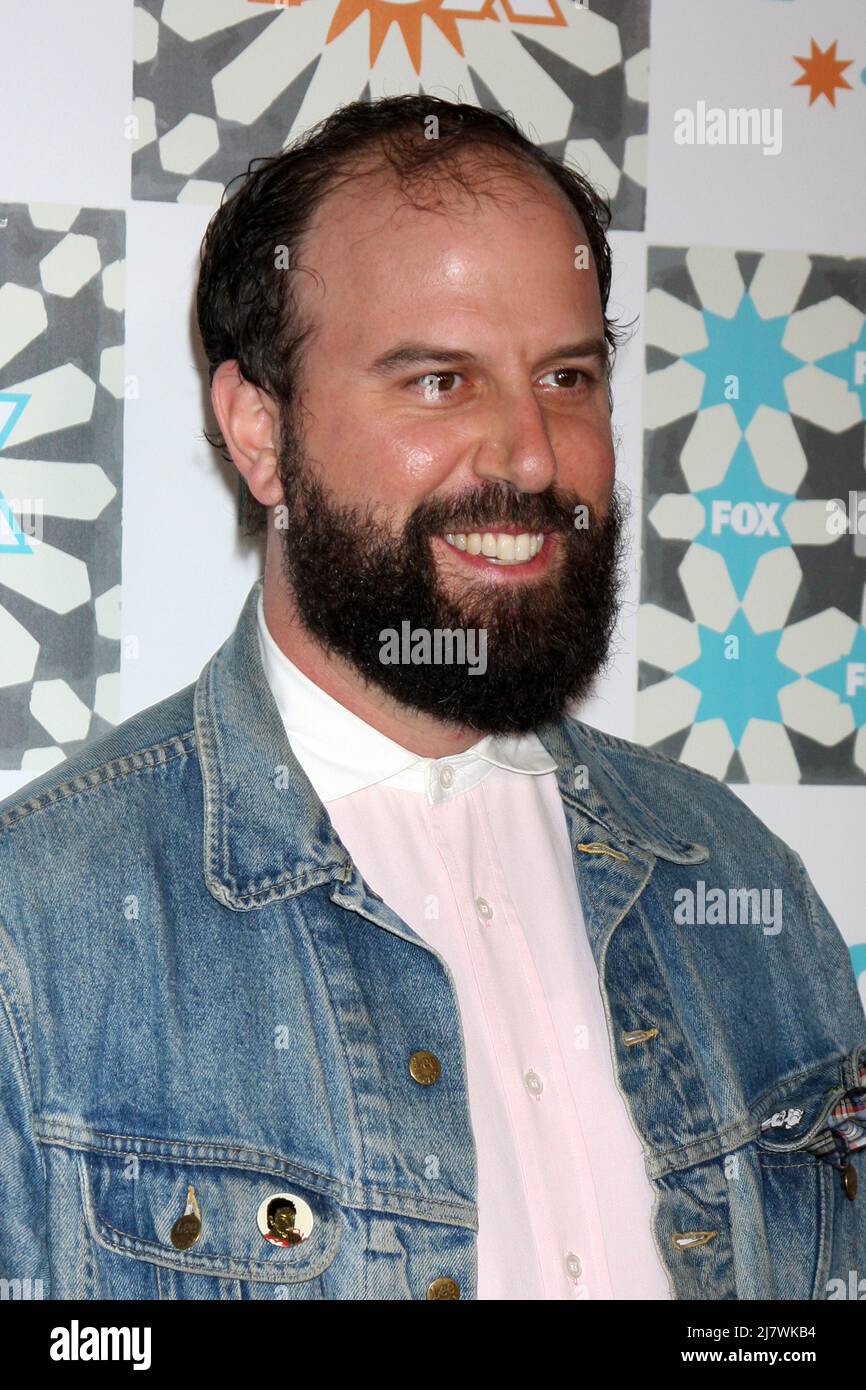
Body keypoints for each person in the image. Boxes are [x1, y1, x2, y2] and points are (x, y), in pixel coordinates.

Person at [0, 95, 864, 1302]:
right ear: (258, 432)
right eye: (437, 381)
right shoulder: (38, 933)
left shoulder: (741, 888)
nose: (525, 454)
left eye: (565, 375)